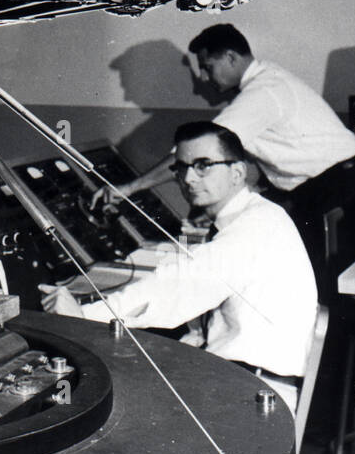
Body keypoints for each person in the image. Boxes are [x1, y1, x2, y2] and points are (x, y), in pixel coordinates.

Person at [92, 24, 355, 296]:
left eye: (208, 68)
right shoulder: (267, 82)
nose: (204, 79)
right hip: (339, 189)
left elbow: (197, 154)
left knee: (332, 295)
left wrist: (129, 189)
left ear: (231, 58)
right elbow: (259, 162)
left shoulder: (263, 92)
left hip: (346, 194)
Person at [45, 121, 317, 411]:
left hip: (253, 395)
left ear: (237, 172)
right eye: (181, 167)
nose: (188, 178)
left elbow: (177, 288)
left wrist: (83, 315)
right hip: (249, 379)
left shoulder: (253, 228)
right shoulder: (258, 215)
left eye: (204, 165)